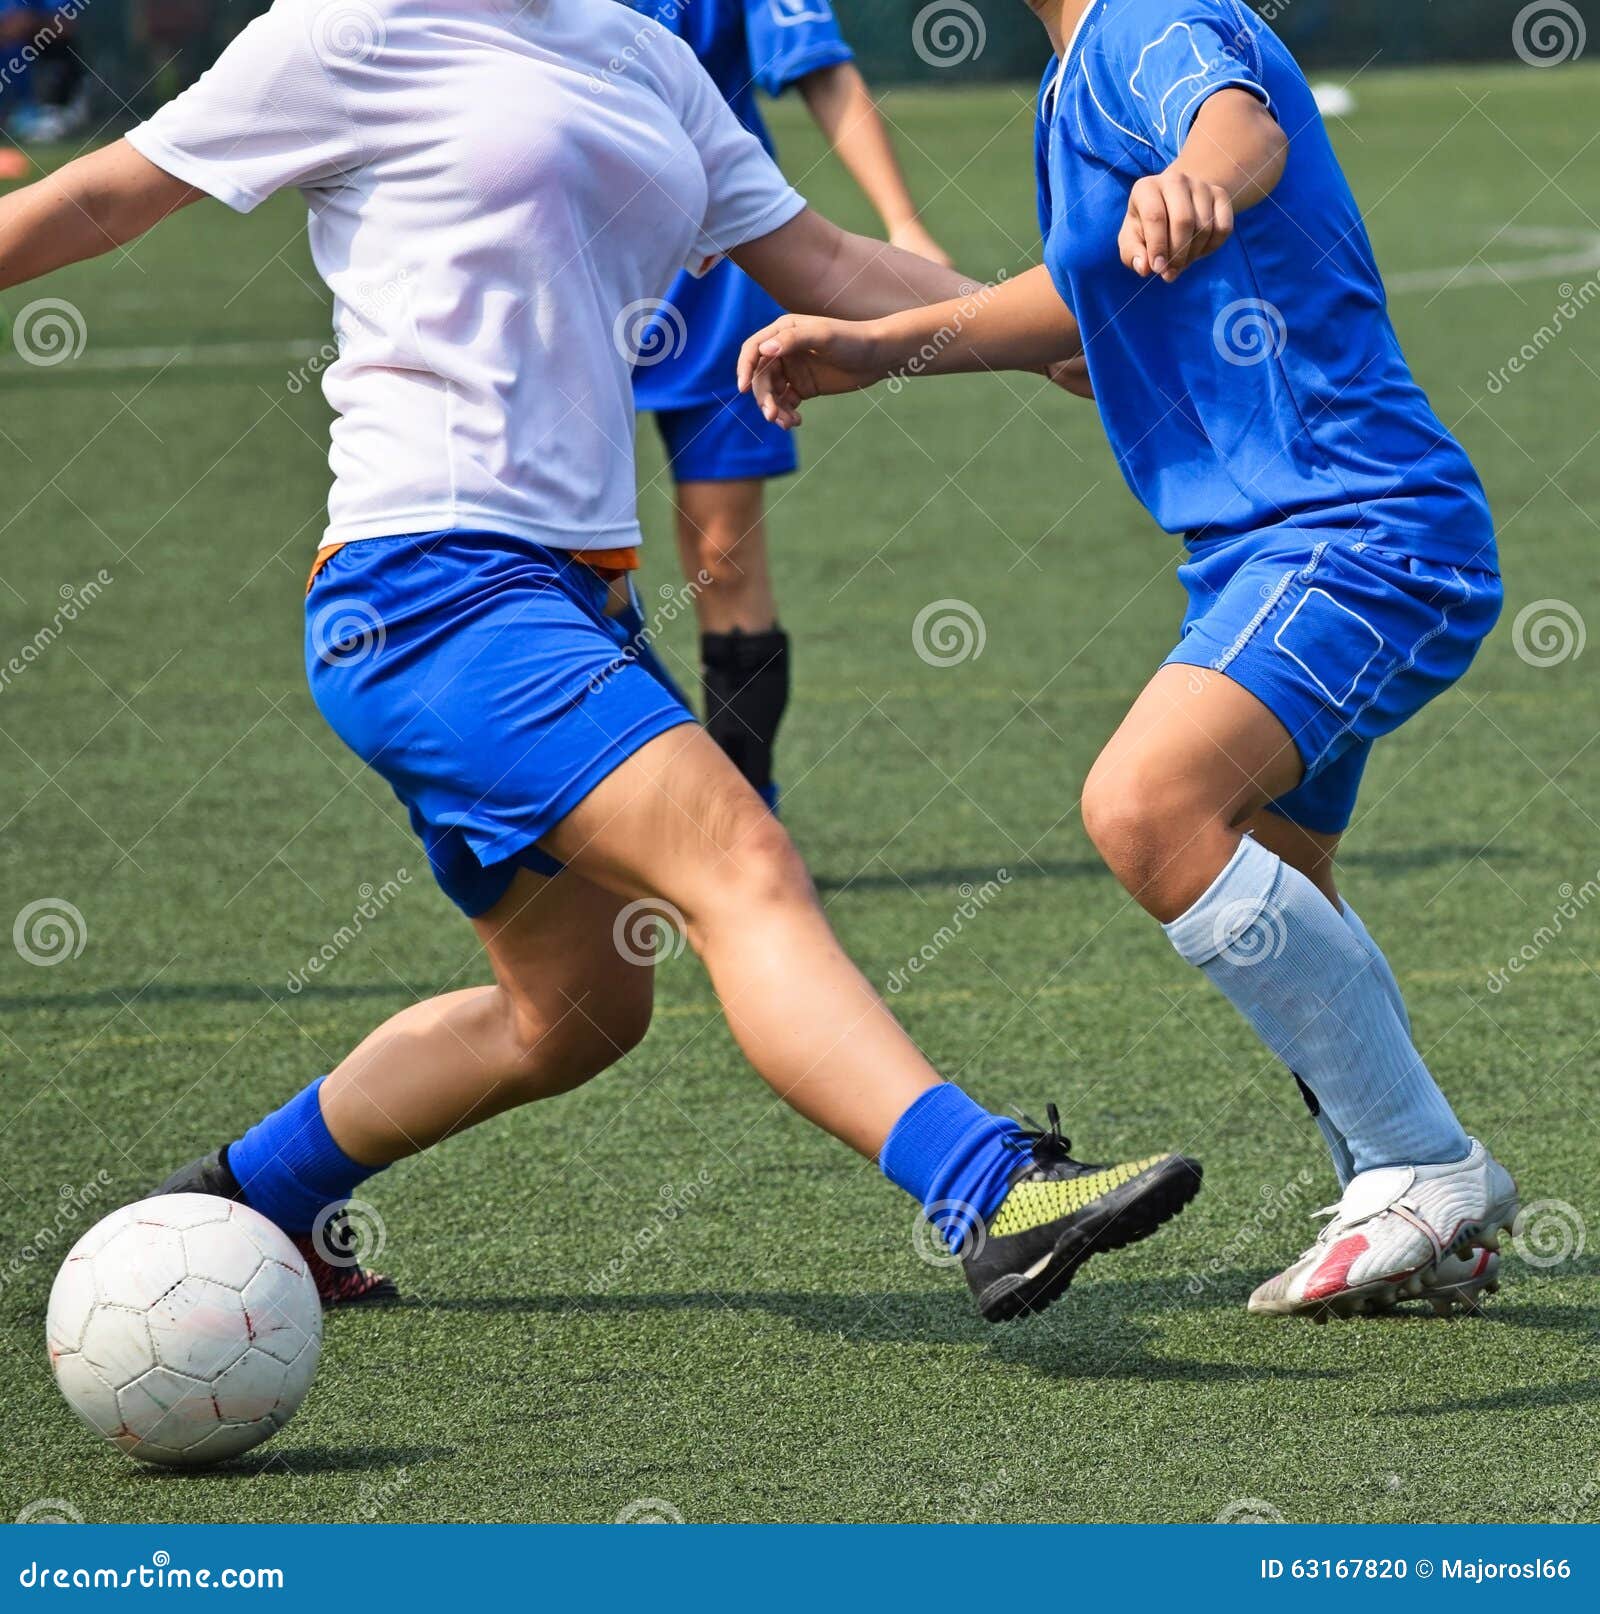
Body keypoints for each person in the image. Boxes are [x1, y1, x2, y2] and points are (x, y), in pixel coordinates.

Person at [0, 0, 1199, 1323]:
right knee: (738, 863)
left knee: (571, 1012)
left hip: (564, 596)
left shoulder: (642, 53)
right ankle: (986, 1187)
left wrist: (1051, 340)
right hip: (427, 589)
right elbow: (109, 195)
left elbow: (824, 261)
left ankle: (243, 1201)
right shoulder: (348, 28)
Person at [738, 0, 1518, 1320]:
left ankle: (1419, 1165)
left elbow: (1236, 126)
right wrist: (884, 346)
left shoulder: (1137, 22)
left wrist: (1200, 183)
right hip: (1266, 547)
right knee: (1279, 864)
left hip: (1352, 531)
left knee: (1145, 808)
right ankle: (1421, 1222)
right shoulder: (1069, 77)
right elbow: (1083, 291)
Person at [617, 0, 949, 810]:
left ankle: (742, 811)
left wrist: (904, 223)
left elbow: (819, 67)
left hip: (725, 267)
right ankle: (635, 810)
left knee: (722, 557)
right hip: (577, 262)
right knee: (584, 581)